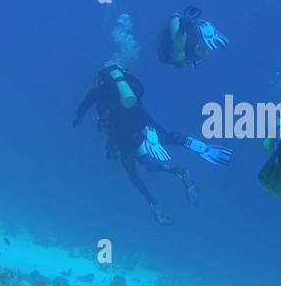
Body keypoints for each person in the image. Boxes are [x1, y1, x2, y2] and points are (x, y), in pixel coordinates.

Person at [73, 63, 233, 224]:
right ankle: (187, 146)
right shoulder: (128, 83)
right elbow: (141, 90)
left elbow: (84, 105)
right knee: (165, 138)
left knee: (135, 173)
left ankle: (155, 202)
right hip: (139, 117)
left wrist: (78, 119)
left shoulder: (100, 91)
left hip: (122, 134)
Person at [156, 5, 229, 68]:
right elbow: (178, 47)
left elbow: (178, 47)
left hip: (178, 44)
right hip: (170, 46)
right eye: (205, 47)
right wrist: (182, 27)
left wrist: (182, 27)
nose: (206, 52)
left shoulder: (189, 52)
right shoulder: (185, 52)